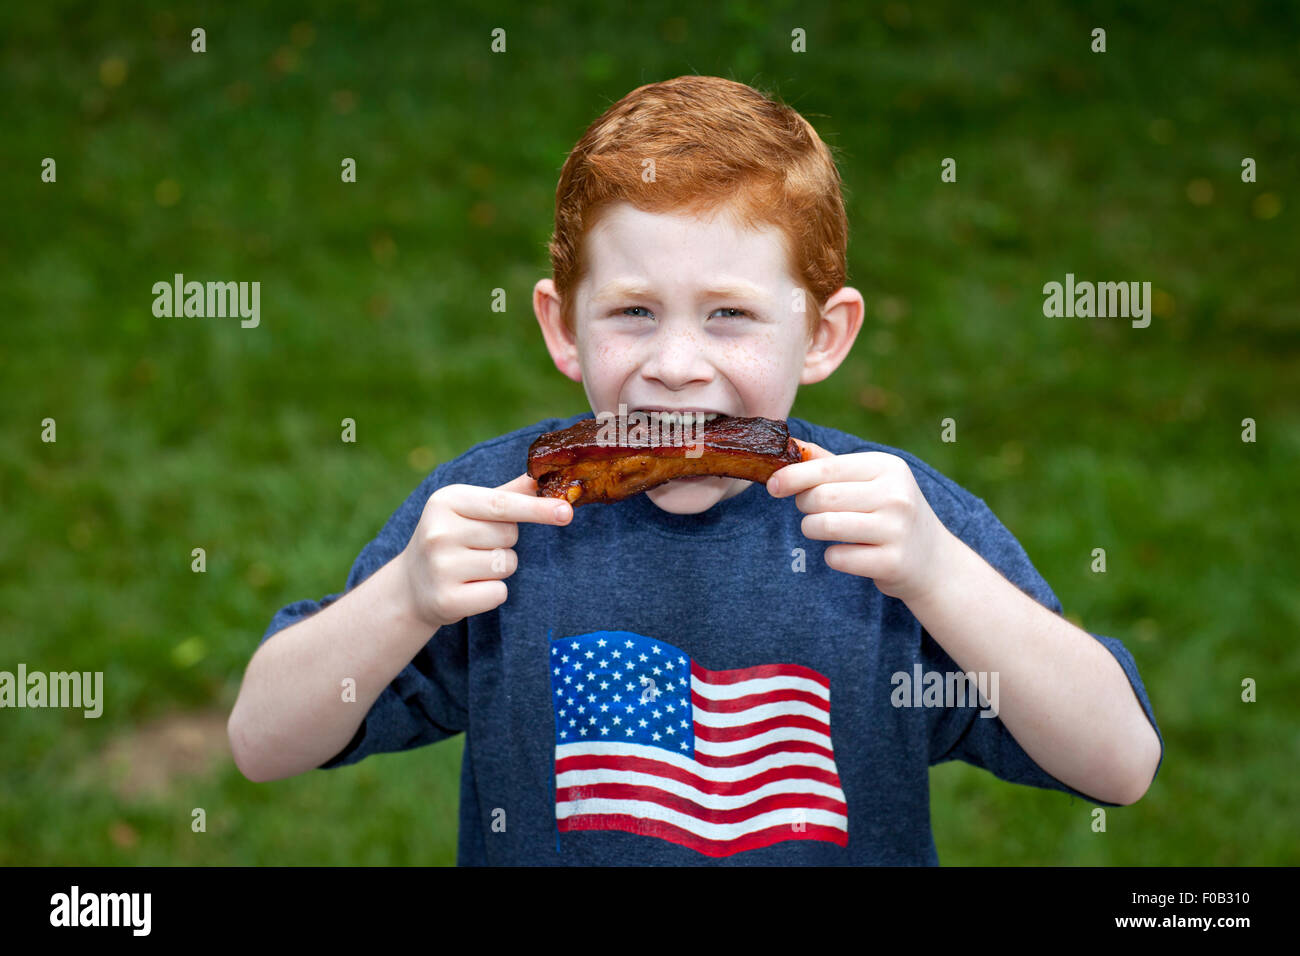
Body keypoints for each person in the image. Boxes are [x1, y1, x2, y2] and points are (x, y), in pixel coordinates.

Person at [227, 75, 1163, 864]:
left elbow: (1118, 762)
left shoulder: (894, 527)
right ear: (563, 328)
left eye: (729, 315)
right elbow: (264, 742)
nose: (677, 362)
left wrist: (940, 575)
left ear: (823, 335)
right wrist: (407, 600)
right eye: (633, 312)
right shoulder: (498, 513)